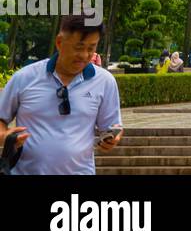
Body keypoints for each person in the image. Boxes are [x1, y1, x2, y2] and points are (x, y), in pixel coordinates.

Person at [0, 13, 123, 175]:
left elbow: (113, 126)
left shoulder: (105, 81)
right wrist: (5, 136)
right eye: (79, 47)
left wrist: (113, 138)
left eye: (91, 48)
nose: (85, 55)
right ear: (59, 42)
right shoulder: (24, 78)